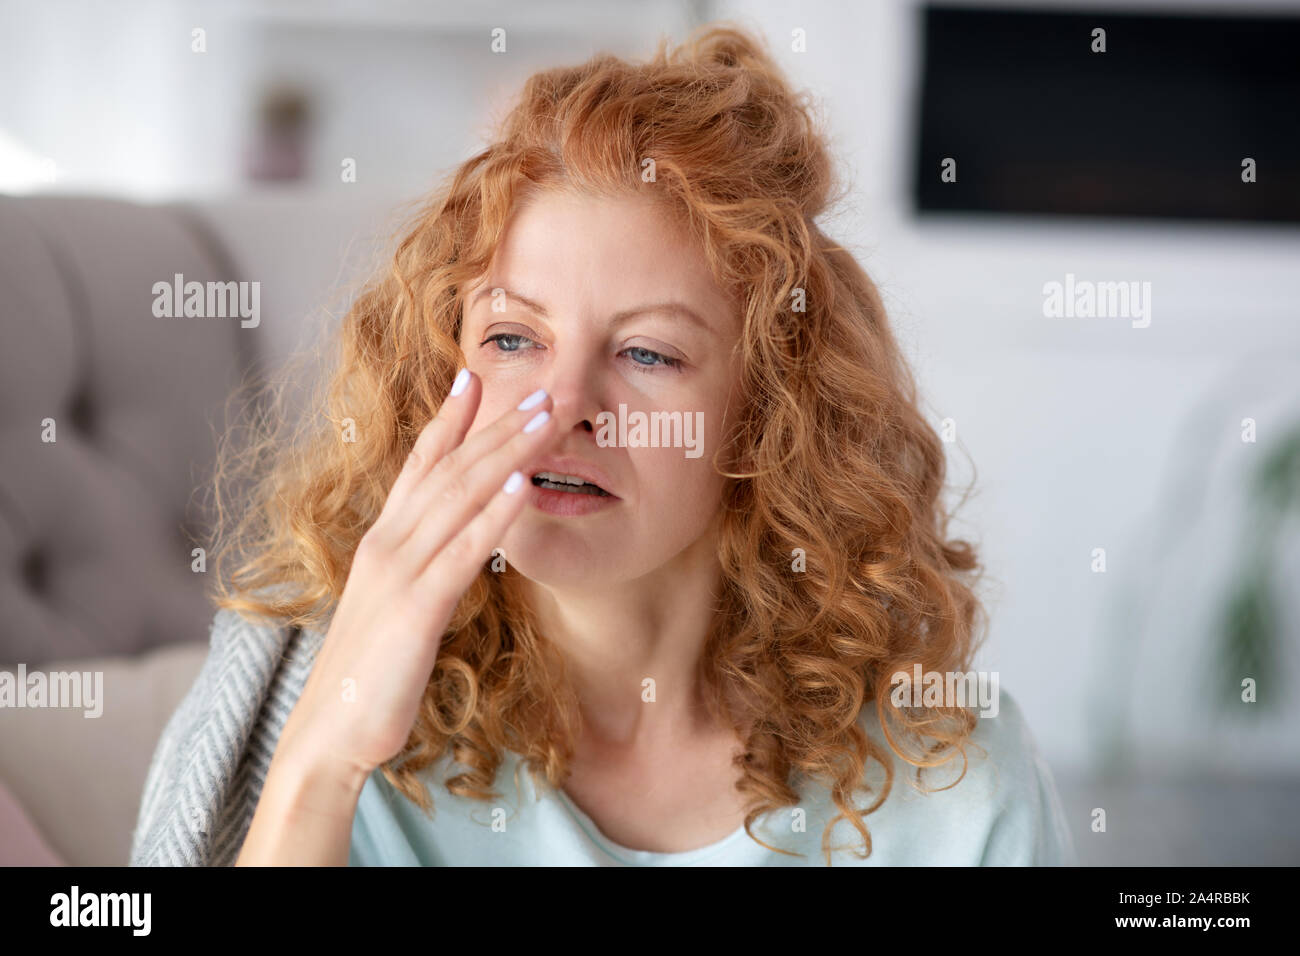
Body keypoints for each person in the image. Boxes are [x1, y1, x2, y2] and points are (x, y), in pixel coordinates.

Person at [132, 22, 1074, 867]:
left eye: (647, 353)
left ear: (770, 414)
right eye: (512, 338)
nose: (566, 403)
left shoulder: (950, 784)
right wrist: (324, 757)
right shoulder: (343, 726)